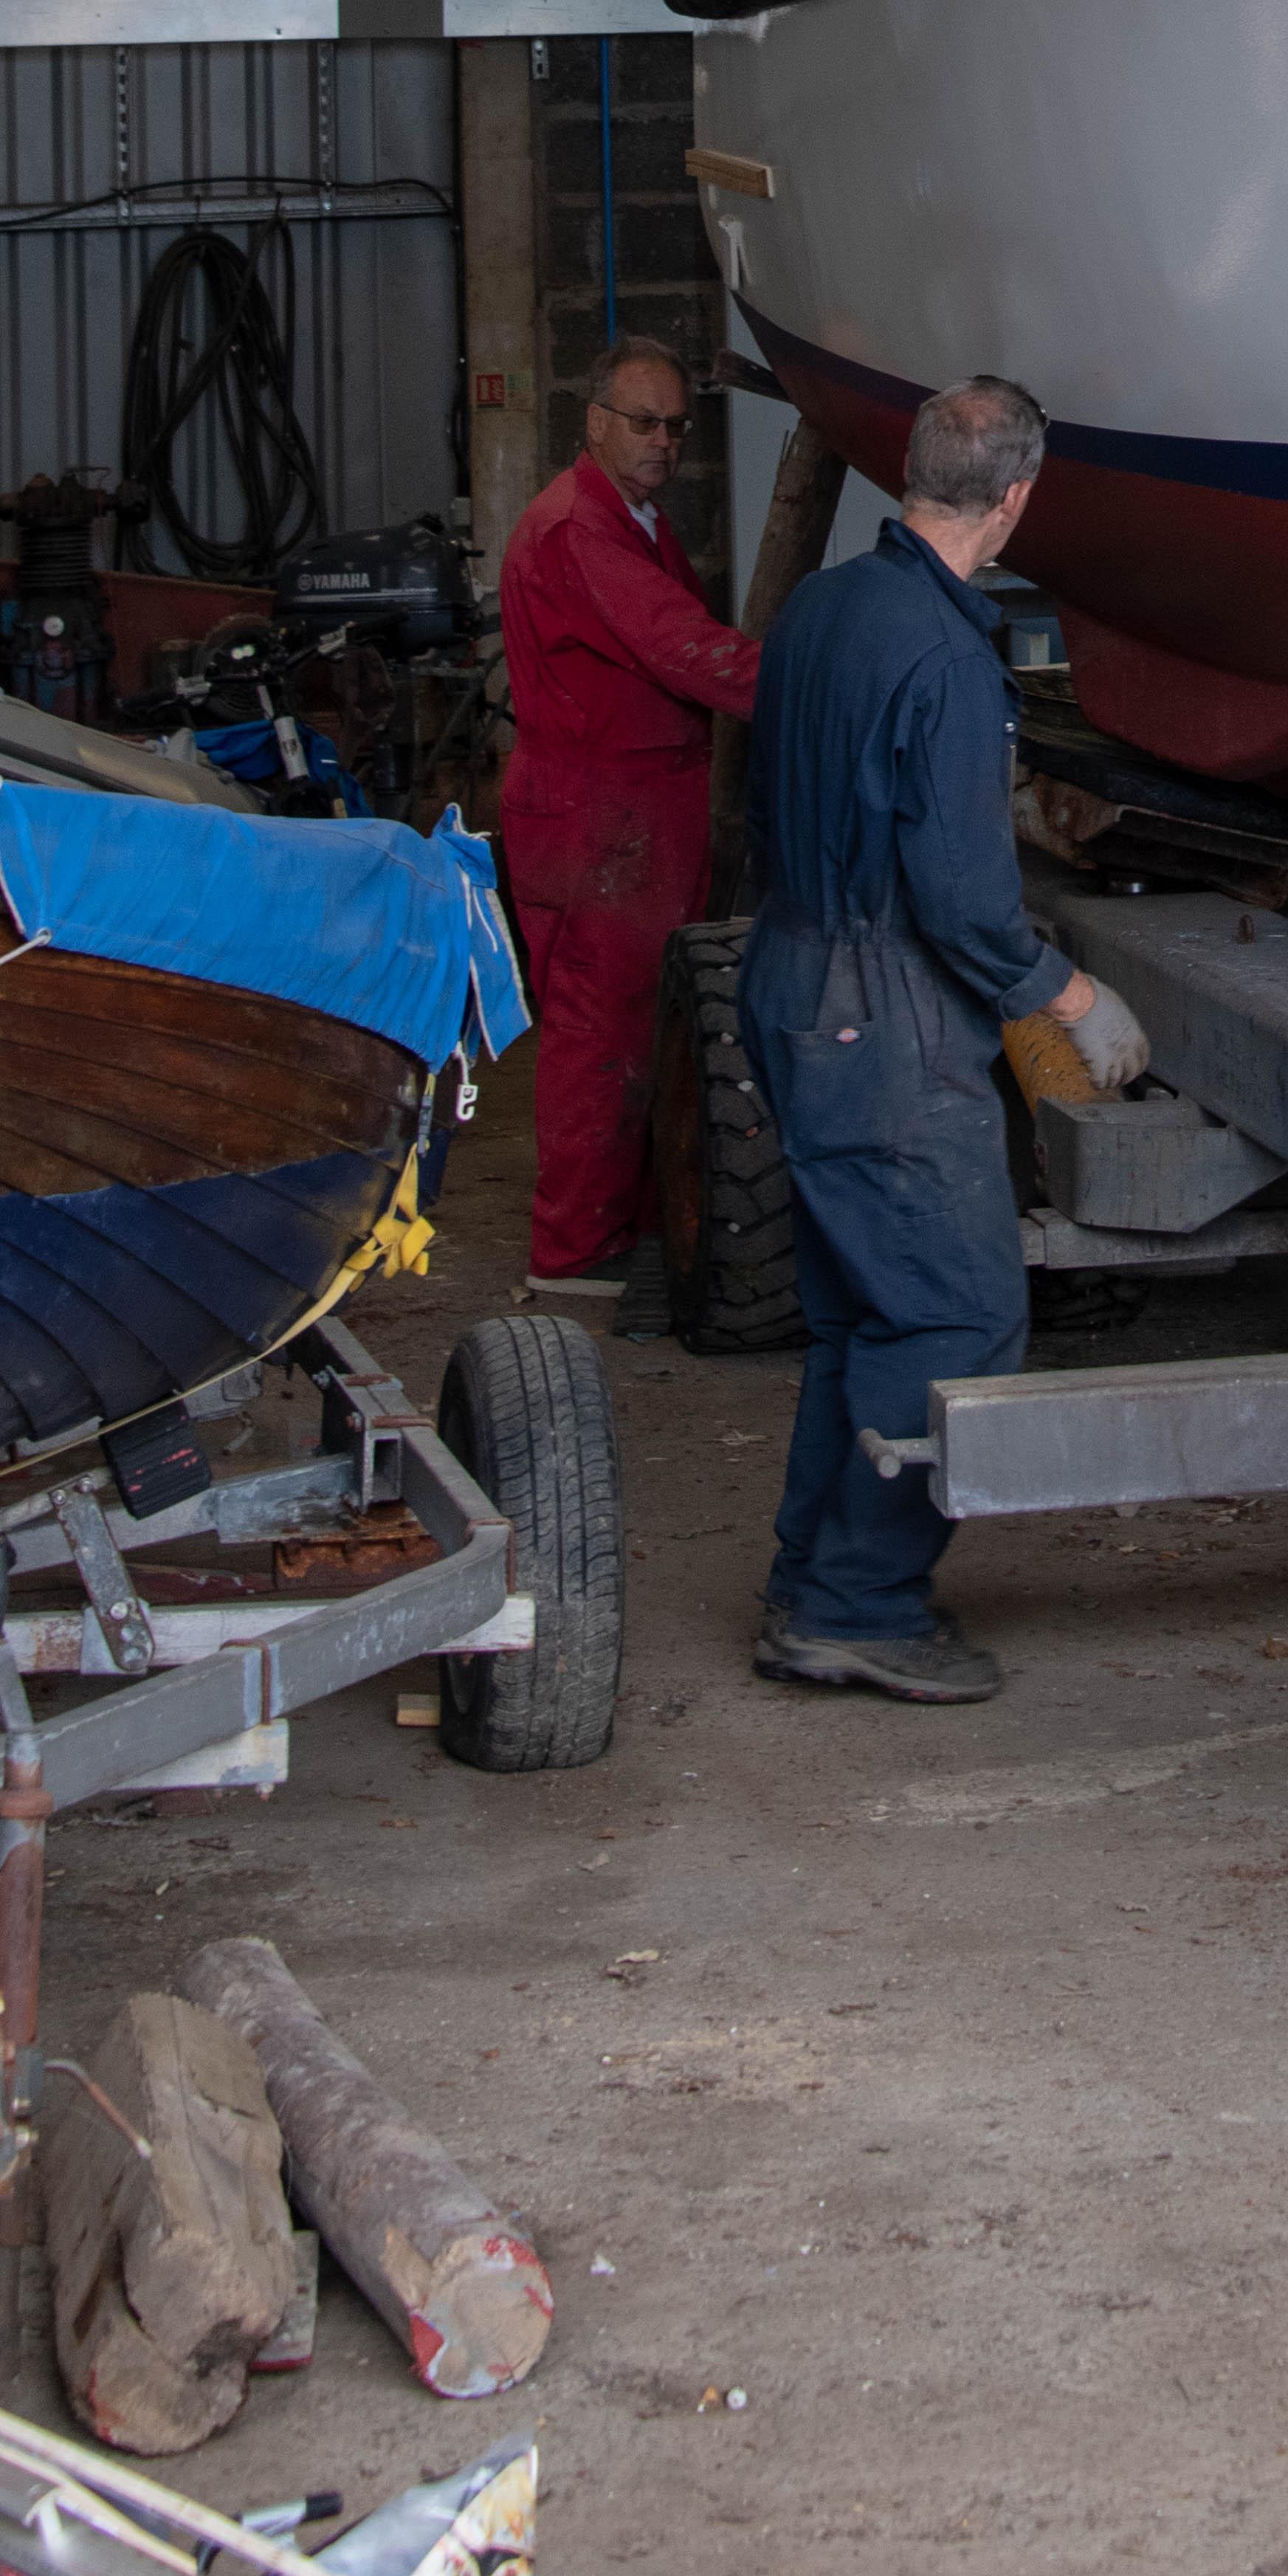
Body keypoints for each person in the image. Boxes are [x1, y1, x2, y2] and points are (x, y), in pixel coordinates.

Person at [741, 370, 1101, 1708]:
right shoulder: (952, 656)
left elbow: (765, 801)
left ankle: (809, 1582)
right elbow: (960, 897)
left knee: (858, 1317)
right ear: (1014, 501)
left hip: (789, 968)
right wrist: (1061, 993)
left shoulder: (822, 608)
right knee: (955, 1311)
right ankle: (859, 1605)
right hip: (879, 1009)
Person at [493, 340, 763, 1305]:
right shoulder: (580, 531)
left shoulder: (638, 522)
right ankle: (573, 1254)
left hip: (639, 818)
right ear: (594, 421)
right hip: (598, 825)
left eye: (676, 426)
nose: (662, 442)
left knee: (647, 1029)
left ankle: (641, 1225)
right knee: (600, 1037)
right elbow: (681, 648)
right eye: (642, 422)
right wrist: (813, 677)